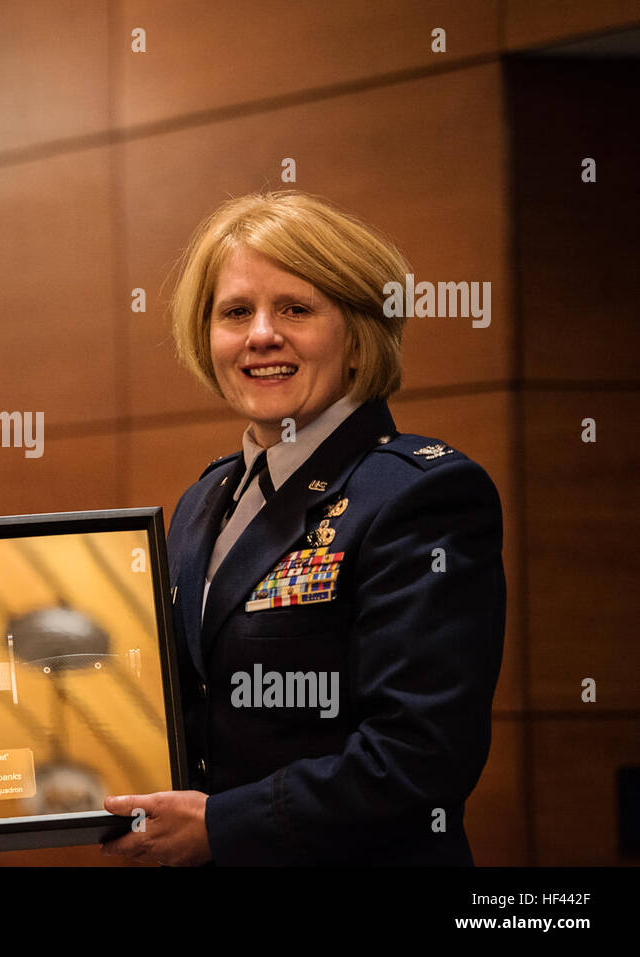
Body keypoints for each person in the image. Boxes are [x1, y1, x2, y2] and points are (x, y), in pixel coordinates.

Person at [103, 190, 505, 865]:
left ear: (357, 337)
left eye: (296, 308)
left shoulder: (420, 494)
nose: (262, 333)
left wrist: (225, 827)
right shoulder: (205, 498)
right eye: (236, 312)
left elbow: (421, 757)